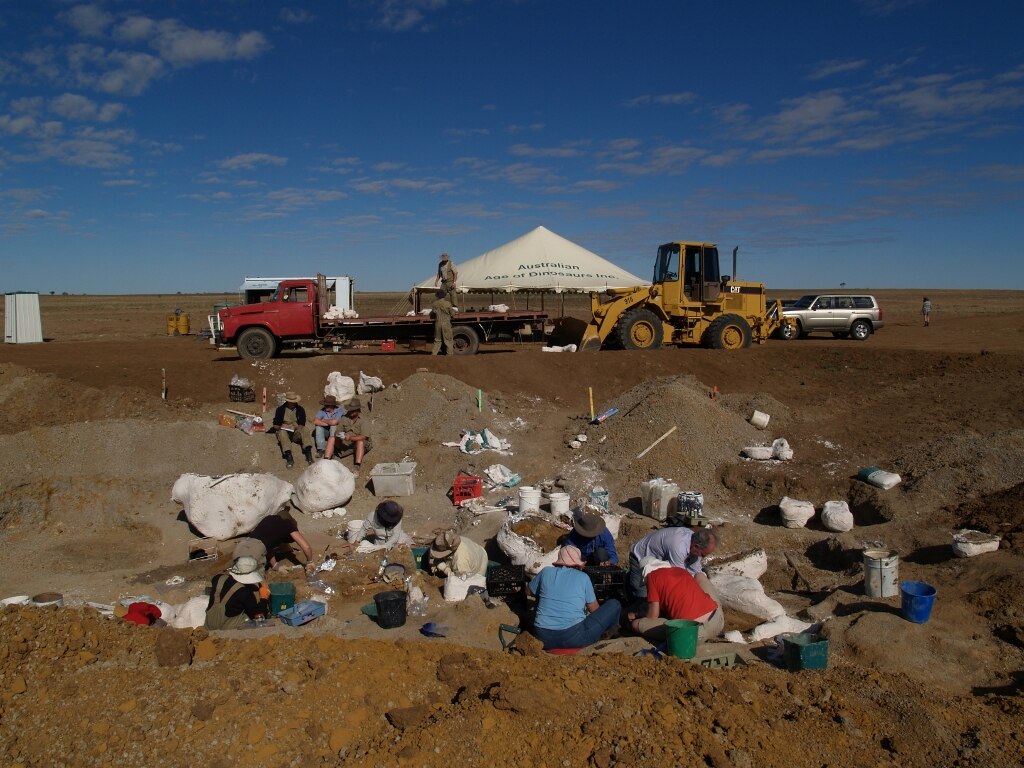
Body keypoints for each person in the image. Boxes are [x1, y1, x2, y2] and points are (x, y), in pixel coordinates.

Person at [526, 545, 622, 650]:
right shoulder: (583, 578)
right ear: (577, 564)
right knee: (615, 604)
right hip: (573, 638)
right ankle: (612, 632)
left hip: (542, 637)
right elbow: (594, 610)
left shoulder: (546, 572)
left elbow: (528, 591)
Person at [629, 563, 724, 643]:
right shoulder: (680, 570)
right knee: (700, 576)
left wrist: (638, 614)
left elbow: (653, 616)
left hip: (692, 634)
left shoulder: (652, 577)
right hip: (717, 622)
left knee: (636, 624)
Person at [628, 526, 718, 601]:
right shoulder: (678, 547)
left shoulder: (694, 541)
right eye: (702, 555)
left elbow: (695, 570)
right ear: (696, 546)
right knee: (641, 594)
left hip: (657, 559)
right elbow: (679, 577)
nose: (702, 557)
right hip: (640, 557)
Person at [232, 509, 314, 570]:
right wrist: (310, 562)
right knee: (255, 582)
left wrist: (275, 566)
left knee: (237, 574)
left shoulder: (268, 519)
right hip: (255, 553)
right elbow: (306, 547)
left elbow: (268, 544)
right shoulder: (288, 524)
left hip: (240, 547)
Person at [204, 556, 268, 630]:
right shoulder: (245, 593)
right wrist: (264, 598)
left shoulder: (217, 578)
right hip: (227, 627)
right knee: (248, 618)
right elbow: (259, 617)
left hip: (209, 624)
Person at [327, 398, 371, 468]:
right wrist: (338, 435)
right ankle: (326, 460)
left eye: (353, 410)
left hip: (360, 444)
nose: (351, 412)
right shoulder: (344, 418)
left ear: (358, 410)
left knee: (360, 442)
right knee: (331, 438)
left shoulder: (364, 420)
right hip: (347, 443)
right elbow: (337, 431)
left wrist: (351, 438)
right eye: (350, 410)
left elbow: (364, 437)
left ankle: (357, 466)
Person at [273, 391, 311, 468]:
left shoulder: (300, 409)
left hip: (296, 432)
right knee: (282, 432)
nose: (293, 403)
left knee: (305, 430)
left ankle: (308, 454)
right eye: (291, 402)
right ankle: (289, 456)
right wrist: (282, 426)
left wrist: (297, 427)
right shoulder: (280, 410)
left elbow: (302, 423)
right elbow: (275, 425)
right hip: (285, 432)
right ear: (287, 401)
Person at [431, 289, 454, 356]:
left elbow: (433, 313)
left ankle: (434, 354)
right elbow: (452, 314)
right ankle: (449, 355)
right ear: (444, 295)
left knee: (437, 340)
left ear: (437, 296)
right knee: (448, 340)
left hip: (438, 324)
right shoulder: (448, 303)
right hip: (446, 323)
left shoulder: (434, 304)